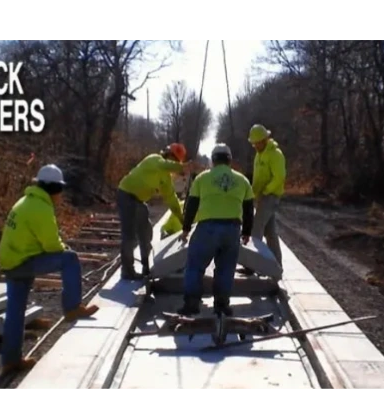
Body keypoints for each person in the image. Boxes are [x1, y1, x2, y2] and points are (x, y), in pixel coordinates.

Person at [0, 164, 99, 373]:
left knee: (15, 311)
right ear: (53, 189)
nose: (61, 194)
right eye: (60, 189)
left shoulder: (25, 201)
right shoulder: (41, 208)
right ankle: (72, 307)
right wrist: (64, 248)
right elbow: (52, 245)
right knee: (70, 258)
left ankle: (10, 360)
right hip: (22, 261)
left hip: (11, 261)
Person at [178, 143, 254, 316]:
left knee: (195, 266)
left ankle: (191, 305)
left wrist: (186, 228)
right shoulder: (242, 180)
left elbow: (191, 205)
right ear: (229, 160)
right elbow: (249, 209)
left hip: (207, 229)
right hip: (232, 230)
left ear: (213, 160)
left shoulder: (202, 178)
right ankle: (221, 306)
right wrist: (247, 232)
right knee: (226, 269)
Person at [117, 143, 189, 280]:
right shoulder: (154, 160)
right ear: (167, 155)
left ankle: (146, 266)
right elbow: (163, 165)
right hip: (126, 194)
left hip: (138, 200)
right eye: (173, 160)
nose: (174, 165)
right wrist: (182, 167)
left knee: (146, 232)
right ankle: (127, 270)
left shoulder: (165, 178)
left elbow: (172, 200)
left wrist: (182, 220)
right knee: (129, 235)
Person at [239, 124, 286, 275]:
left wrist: (266, 191)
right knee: (270, 232)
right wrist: (252, 194)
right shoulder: (259, 155)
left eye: (257, 142)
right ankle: (277, 266)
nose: (255, 145)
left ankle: (252, 265)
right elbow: (258, 178)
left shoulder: (275, 154)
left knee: (256, 228)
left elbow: (279, 177)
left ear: (265, 139)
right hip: (261, 196)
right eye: (253, 143)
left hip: (270, 196)